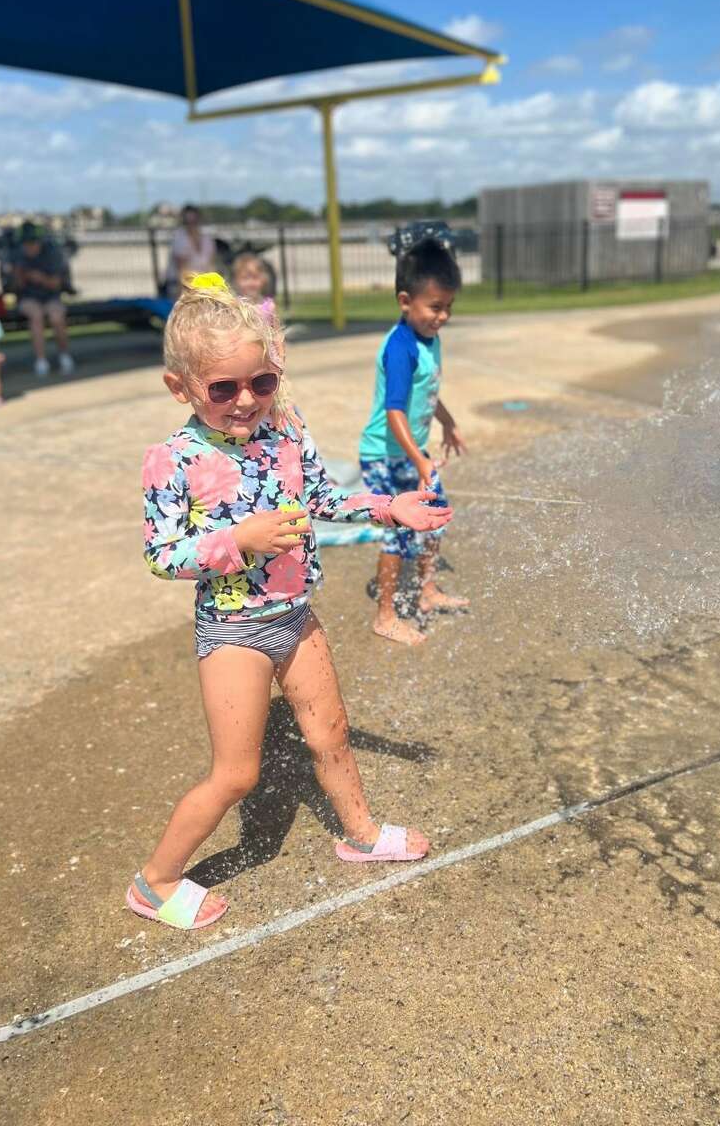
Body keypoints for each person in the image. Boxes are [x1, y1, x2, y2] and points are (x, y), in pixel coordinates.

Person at [130, 272, 448, 930]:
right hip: (233, 634)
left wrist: (391, 507)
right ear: (180, 387)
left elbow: (327, 501)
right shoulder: (174, 460)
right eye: (224, 388)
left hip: (296, 619)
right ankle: (155, 880)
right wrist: (236, 540)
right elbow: (163, 554)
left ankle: (359, 833)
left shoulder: (286, 435)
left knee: (330, 736)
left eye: (261, 382)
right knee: (237, 775)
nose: (246, 400)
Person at [359, 235, 469, 646]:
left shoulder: (429, 339)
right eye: (435, 307)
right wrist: (420, 461)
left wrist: (447, 421)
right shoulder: (400, 347)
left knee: (436, 513)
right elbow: (395, 411)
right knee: (400, 530)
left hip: (412, 452)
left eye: (448, 308)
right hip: (384, 455)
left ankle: (426, 591)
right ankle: (385, 615)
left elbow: (428, 392)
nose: (442, 316)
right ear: (406, 301)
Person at [11, 221, 74, 377]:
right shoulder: (17, 256)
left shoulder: (52, 253)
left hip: (51, 296)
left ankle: (64, 355)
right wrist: (20, 276)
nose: (29, 246)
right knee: (36, 316)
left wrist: (40, 278)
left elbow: (57, 284)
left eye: (32, 242)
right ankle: (41, 360)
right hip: (28, 298)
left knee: (56, 317)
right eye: (26, 243)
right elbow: (14, 288)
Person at [163, 205, 216, 300]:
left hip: (201, 285)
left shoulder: (207, 239)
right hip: (181, 285)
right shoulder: (180, 238)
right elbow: (182, 270)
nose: (191, 224)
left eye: (194, 220)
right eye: (188, 221)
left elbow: (211, 266)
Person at [231, 251, 276, 318]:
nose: (250, 283)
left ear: (263, 279)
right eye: (245, 278)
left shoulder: (269, 307)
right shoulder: (234, 305)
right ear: (236, 280)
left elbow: (276, 328)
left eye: (255, 277)